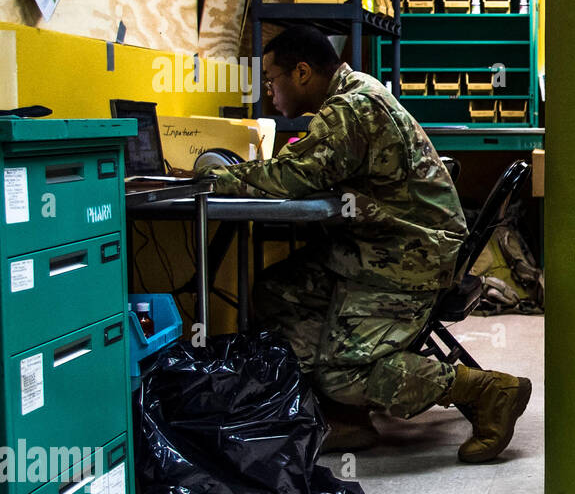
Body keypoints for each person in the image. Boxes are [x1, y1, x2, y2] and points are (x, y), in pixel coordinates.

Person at [199, 25, 532, 460]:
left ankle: (484, 390)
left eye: (271, 80)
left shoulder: (351, 107)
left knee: (342, 373)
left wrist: (211, 176)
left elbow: (291, 176)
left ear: (302, 72)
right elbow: (309, 169)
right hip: (385, 248)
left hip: (406, 259)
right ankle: (346, 418)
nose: (269, 92)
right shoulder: (353, 95)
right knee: (280, 290)